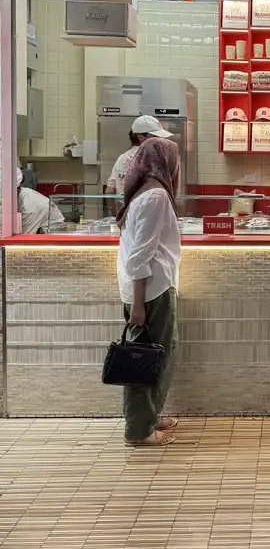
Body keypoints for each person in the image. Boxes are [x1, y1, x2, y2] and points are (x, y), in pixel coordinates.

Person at [116, 137, 181, 447]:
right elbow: (139, 256)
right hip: (151, 291)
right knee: (143, 361)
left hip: (145, 289)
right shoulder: (156, 196)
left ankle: (149, 417)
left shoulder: (143, 191)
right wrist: (139, 304)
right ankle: (139, 431)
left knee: (156, 356)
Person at [106, 115, 174, 197]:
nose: (160, 140)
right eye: (155, 137)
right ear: (141, 137)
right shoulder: (156, 158)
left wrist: (115, 206)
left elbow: (110, 190)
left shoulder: (122, 158)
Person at [17, 168, 65, 234]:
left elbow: (24, 237)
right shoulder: (17, 196)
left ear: (18, 188)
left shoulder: (29, 206)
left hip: (51, 231)